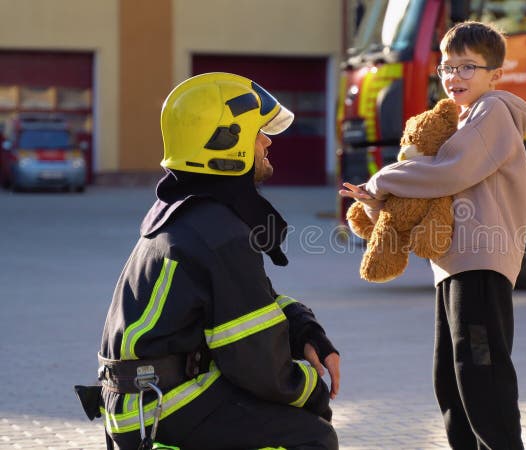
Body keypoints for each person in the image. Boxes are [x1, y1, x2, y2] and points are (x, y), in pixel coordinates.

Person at [79, 72, 340, 450]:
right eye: (258, 133)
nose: (267, 142)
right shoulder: (217, 233)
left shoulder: (191, 214)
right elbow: (258, 366)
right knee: (311, 438)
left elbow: (255, 303)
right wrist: (314, 392)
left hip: (145, 400)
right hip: (163, 407)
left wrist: (305, 332)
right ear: (227, 143)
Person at [340, 21, 526, 449]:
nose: (454, 78)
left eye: (468, 68)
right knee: (450, 379)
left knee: (481, 376)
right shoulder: (463, 120)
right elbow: (435, 186)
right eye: (447, 68)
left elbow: (451, 172)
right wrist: (381, 203)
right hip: (453, 264)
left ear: (495, 74)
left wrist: (384, 180)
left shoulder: (494, 111)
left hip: (481, 261)